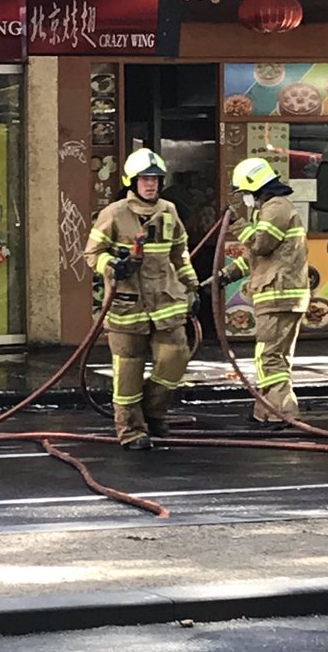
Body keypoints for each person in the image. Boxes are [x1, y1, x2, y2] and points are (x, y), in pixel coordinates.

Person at [85, 148, 200, 450]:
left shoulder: (169, 211)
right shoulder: (115, 213)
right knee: (127, 375)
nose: (151, 184)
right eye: (144, 179)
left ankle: (153, 411)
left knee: (175, 359)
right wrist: (112, 264)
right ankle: (131, 430)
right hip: (127, 306)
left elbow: (180, 253)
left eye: (155, 179)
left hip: (165, 302)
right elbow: (91, 255)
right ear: (131, 182)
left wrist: (192, 285)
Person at [207, 158, 310, 429]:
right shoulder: (271, 210)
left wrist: (236, 223)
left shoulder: (276, 209)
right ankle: (264, 411)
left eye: (245, 193)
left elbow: (260, 244)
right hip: (282, 294)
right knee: (274, 356)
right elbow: (258, 259)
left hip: (277, 295)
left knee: (269, 357)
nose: (245, 199)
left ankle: (283, 413)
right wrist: (224, 276)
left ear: (255, 188)